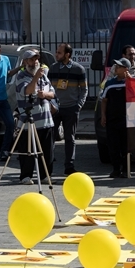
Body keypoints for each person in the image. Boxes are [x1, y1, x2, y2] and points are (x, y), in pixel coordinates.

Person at [13, 51, 56, 185]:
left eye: (36, 60)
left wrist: (46, 94)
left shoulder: (43, 76)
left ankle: (45, 175)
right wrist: (36, 77)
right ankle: (26, 175)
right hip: (28, 122)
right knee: (28, 150)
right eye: (31, 60)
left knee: (47, 151)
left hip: (46, 120)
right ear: (25, 62)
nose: (35, 62)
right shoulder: (21, 76)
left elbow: (53, 93)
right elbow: (27, 91)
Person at [47, 42, 88, 176]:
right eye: (57, 52)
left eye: (59, 52)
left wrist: (79, 105)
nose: (56, 54)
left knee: (70, 138)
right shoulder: (52, 68)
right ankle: (48, 165)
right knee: (50, 137)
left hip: (71, 107)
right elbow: (47, 87)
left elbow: (84, 89)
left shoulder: (78, 69)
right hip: (55, 108)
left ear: (67, 54)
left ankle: (69, 166)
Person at [101, 58, 130, 178]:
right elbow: (104, 100)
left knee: (125, 146)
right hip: (112, 119)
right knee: (113, 145)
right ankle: (116, 169)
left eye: (119, 66)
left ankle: (126, 169)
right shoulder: (110, 83)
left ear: (125, 69)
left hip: (126, 120)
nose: (116, 68)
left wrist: (130, 81)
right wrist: (103, 116)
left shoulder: (131, 82)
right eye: (116, 66)